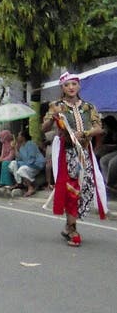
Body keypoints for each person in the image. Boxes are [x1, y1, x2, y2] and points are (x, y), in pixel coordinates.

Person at [41, 71, 107, 246]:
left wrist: (84, 133)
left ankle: (69, 225)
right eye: (67, 85)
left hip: (84, 153)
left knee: (86, 188)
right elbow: (44, 127)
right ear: (62, 88)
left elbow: (99, 128)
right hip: (67, 153)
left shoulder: (88, 107)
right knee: (71, 189)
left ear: (79, 86)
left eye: (74, 84)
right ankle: (73, 229)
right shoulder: (56, 105)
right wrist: (52, 119)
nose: (71, 87)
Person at [8, 128, 45, 196]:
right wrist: (15, 148)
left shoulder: (31, 144)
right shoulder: (21, 147)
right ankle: (19, 183)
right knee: (13, 164)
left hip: (36, 165)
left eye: (19, 135)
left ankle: (30, 188)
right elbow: (19, 158)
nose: (17, 137)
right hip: (28, 164)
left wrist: (22, 164)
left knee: (21, 170)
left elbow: (31, 160)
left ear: (23, 137)